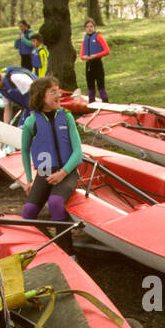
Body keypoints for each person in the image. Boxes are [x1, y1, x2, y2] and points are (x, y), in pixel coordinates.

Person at [20, 76, 83, 252]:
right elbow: (24, 150)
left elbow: (78, 152)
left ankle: (68, 253)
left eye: (58, 91)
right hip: (44, 173)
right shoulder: (31, 122)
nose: (59, 95)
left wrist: (63, 173)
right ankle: (51, 244)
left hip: (67, 173)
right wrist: (29, 179)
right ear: (41, 96)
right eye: (53, 92)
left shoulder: (67, 117)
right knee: (27, 214)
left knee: (55, 203)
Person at [79, 18, 109, 102]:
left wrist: (95, 56)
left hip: (97, 64)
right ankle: (91, 104)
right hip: (89, 65)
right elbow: (81, 56)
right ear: (85, 28)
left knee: (101, 86)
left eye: (91, 26)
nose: (89, 28)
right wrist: (84, 57)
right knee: (90, 87)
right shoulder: (84, 39)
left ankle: (106, 103)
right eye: (87, 27)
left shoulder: (99, 37)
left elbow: (107, 51)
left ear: (94, 27)